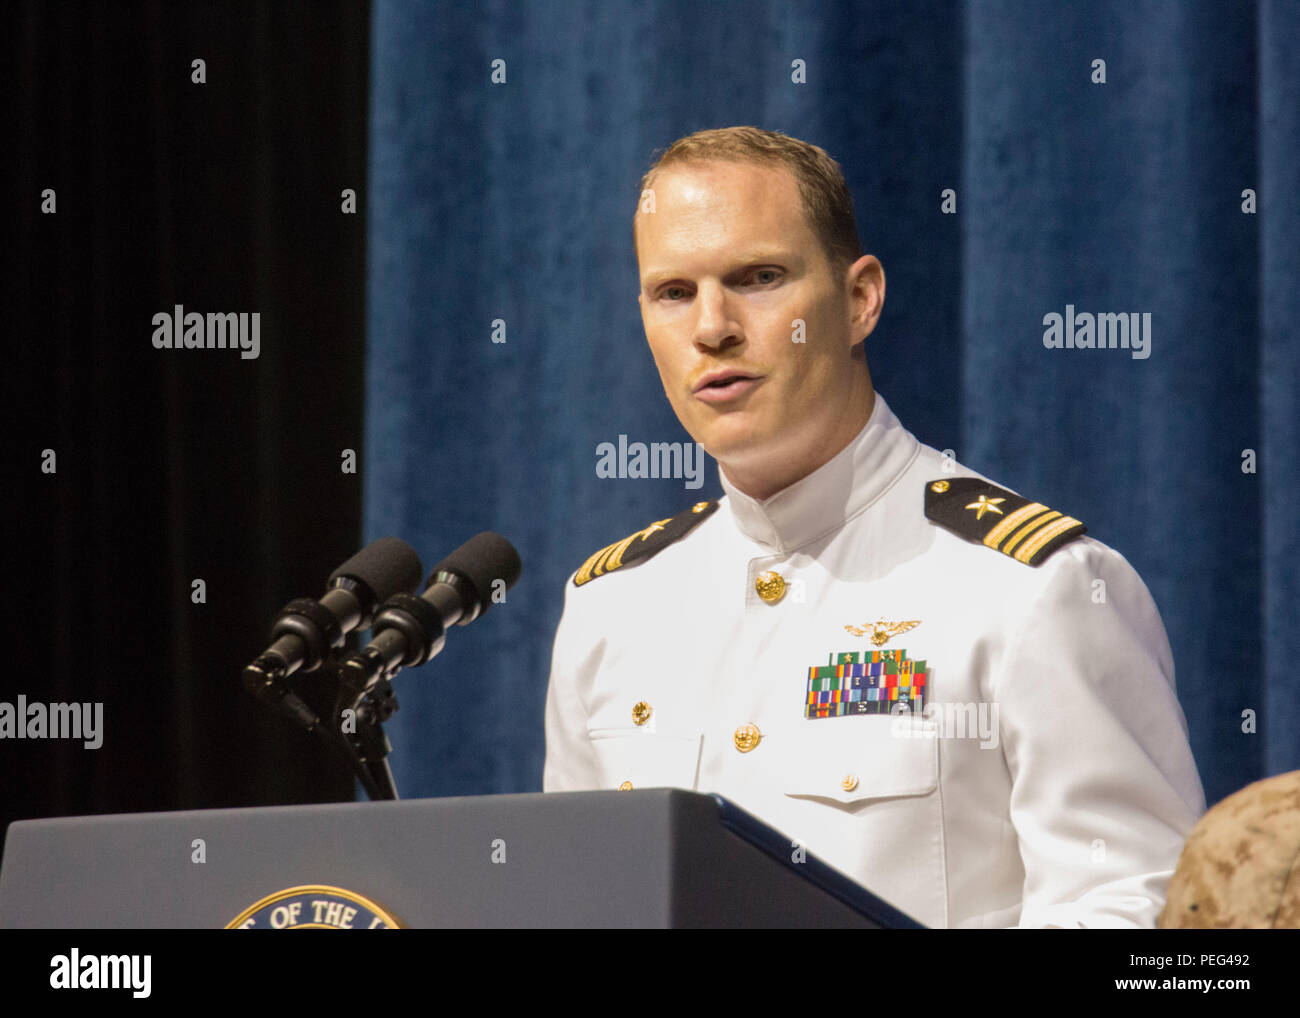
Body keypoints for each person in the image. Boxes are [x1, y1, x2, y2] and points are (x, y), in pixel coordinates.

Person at [542, 126, 1206, 929]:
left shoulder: (1035, 587)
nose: (711, 327)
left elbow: (1144, 921)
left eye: (758, 278)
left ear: (860, 300)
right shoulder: (613, 608)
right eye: (674, 292)